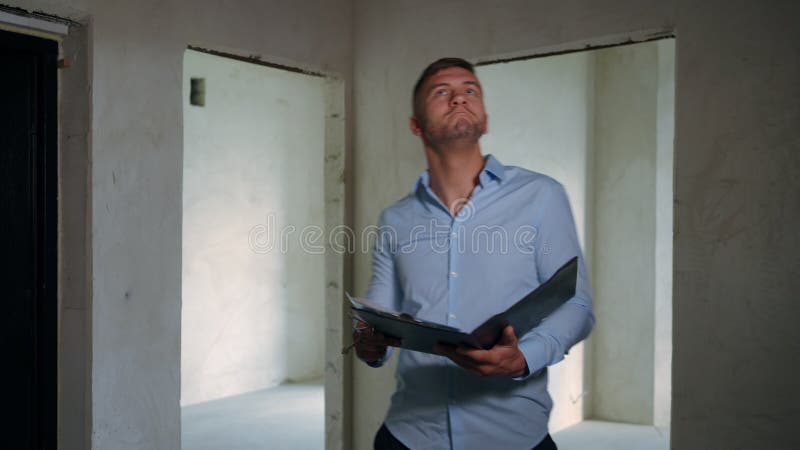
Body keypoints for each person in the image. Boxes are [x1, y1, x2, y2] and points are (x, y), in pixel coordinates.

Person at [355, 57, 594, 450]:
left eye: (470, 90)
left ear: (484, 117)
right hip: (409, 435)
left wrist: (525, 357)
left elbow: (578, 304)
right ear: (416, 125)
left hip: (515, 437)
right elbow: (380, 308)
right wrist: (369, 341)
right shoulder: (395, 219)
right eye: (441, 92)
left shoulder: (541, 196)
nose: (459, 99)